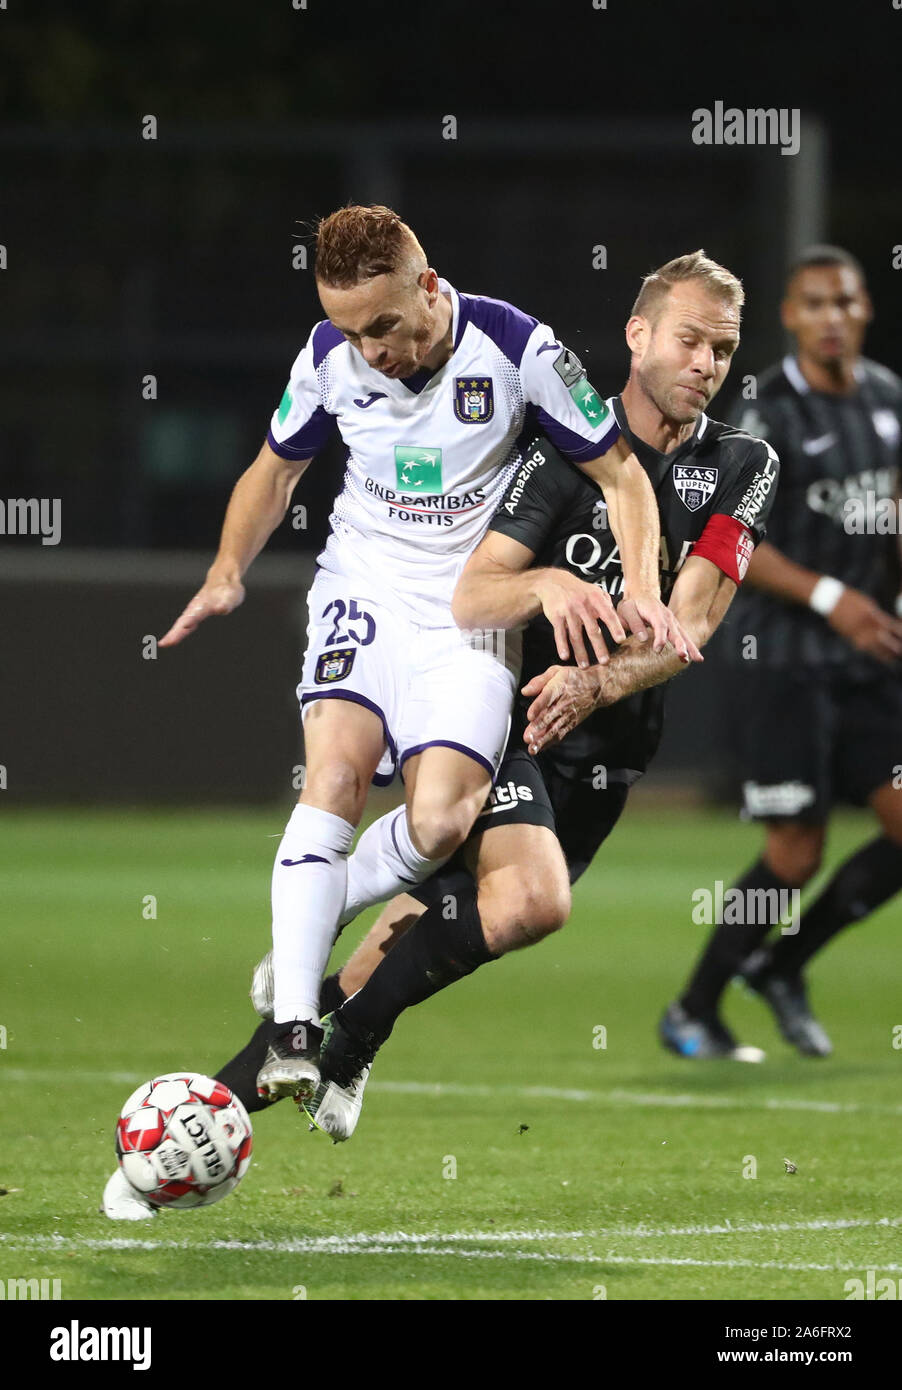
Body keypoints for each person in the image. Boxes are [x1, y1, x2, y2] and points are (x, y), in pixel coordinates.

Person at [101, 208, 692, 1218]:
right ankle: (295, 1024)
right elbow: (274, 468)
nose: (368, 350)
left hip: (465, 613)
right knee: (332, 771)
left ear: (426, 285)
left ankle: (308, 922)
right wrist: (227, 572)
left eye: (381, 325)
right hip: (362, 591)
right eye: (349, 329)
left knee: (438, 824)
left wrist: (639, 583)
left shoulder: (515, 347)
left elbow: (619, 473)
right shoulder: (328, 357)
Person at [215, 250, 778, 1144]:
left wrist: (597, 681)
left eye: (725, 347)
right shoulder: (560, 449)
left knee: (407, 944)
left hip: (611, 746)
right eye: (690, 341)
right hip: (512, 726)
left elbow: (691, 627)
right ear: (638, 338)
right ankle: (217, 1110)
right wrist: (553, 586)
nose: (707, 364)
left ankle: (246, 1080)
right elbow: (474, 595)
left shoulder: (745, 464)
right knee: (530, 903)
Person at [662, 245, 902, 1060]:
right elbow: (735, 541)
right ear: (792, 317)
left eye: (845, 301)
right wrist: (833, 597)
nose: (832, 318)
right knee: (795, 852)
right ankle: (694, 1006)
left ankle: (783, 967)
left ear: (865, 307)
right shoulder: (769, 415)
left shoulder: (886, 401)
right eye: (814, 305)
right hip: (785, 656)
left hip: (872, 658)